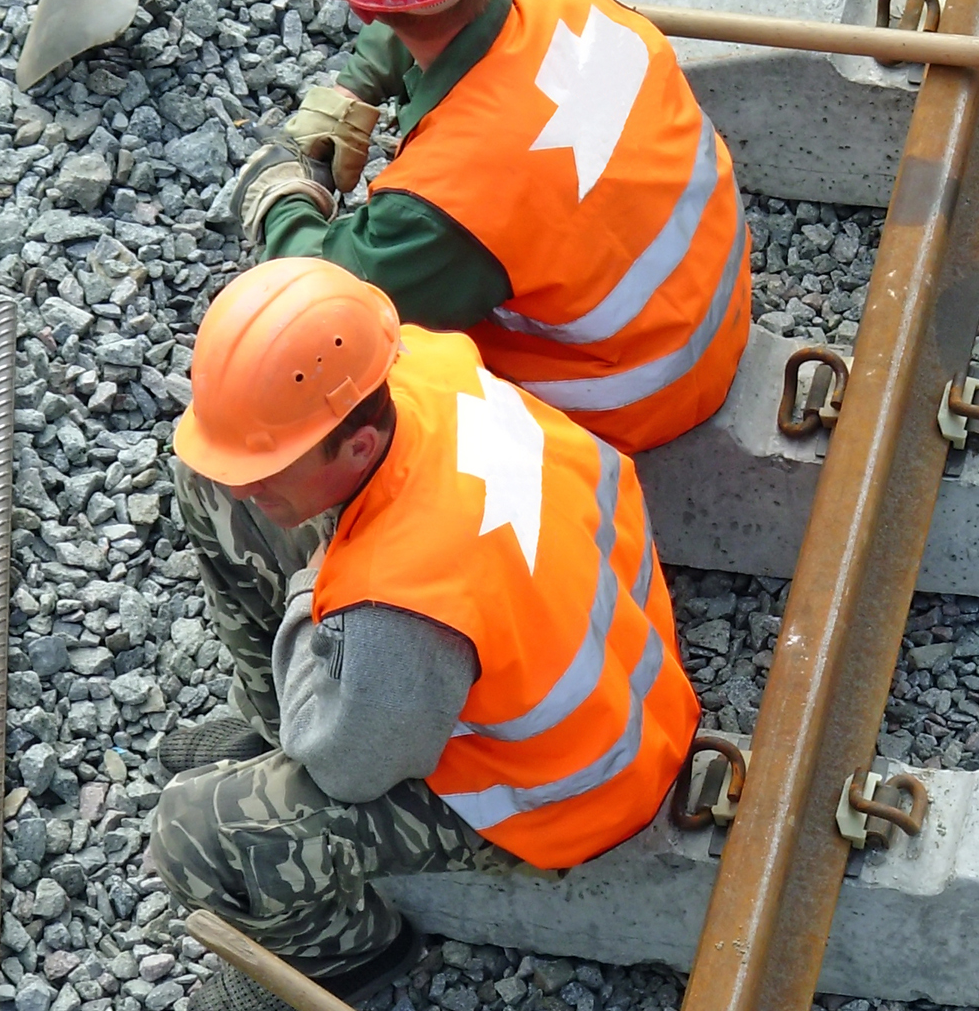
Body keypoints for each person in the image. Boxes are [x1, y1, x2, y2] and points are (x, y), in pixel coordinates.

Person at [149, 258, 700, 1011]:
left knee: (196, 834)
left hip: (567, 791)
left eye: (272, 469)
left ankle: (341, 955)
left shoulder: (401, 609)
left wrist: (318, 580)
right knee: (207, 483)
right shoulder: (415, 367)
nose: (248, 484)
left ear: (357, 448)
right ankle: (267, 726)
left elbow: (347, 770)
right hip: (591, 662)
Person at [230, 0, 752, 457]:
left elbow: (331, 297)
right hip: (714, 308)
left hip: (631, 399)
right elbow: (438, 4)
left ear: (360, 7)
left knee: (344, 397)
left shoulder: (449, 198)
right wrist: (354, 89)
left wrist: (282, 199)